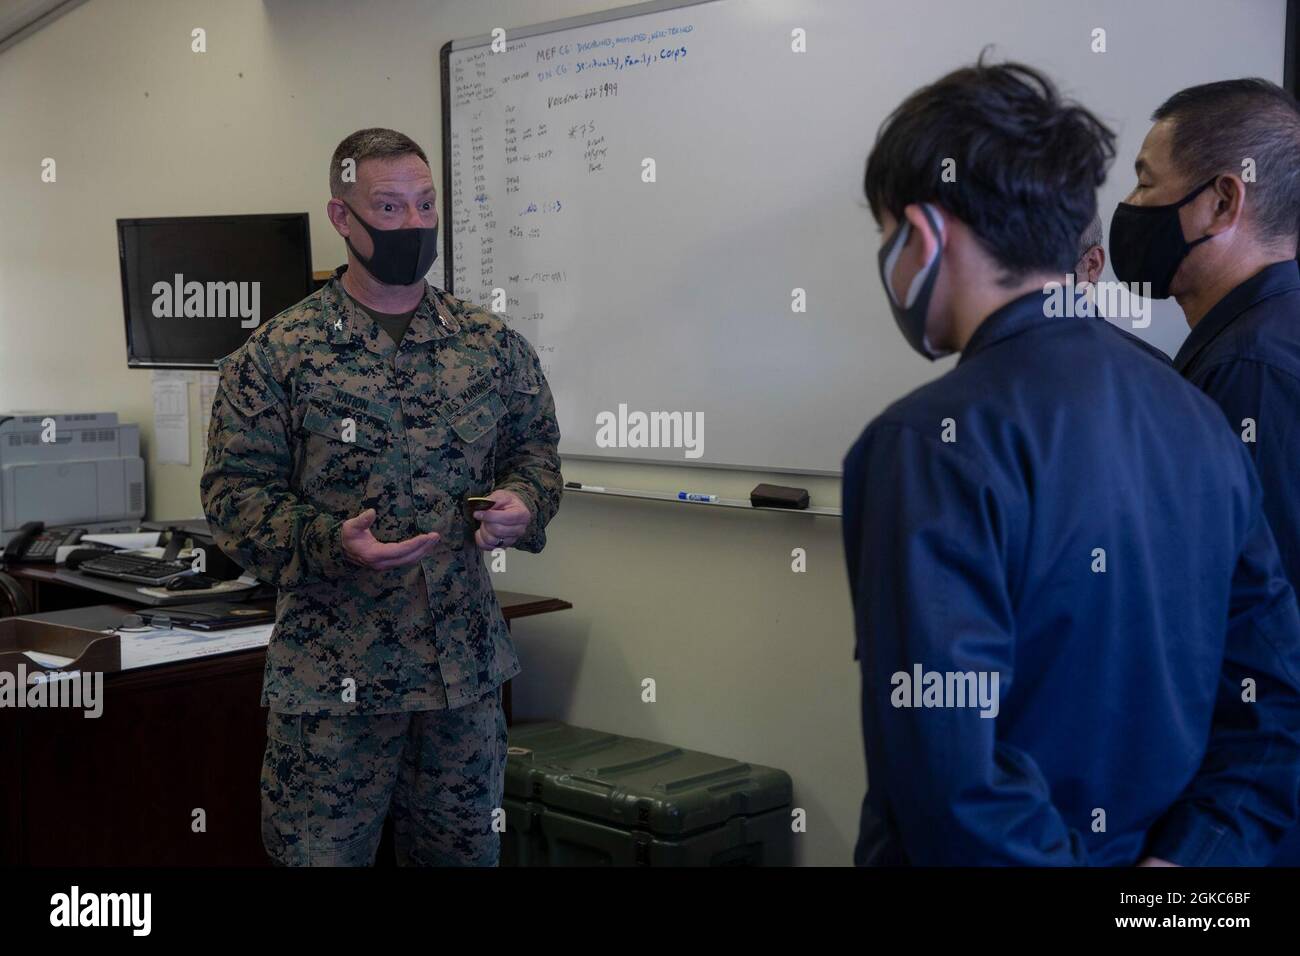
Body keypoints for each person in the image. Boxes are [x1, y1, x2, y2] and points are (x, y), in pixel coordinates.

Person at [845, 57, 1300, 865]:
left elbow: (951, 784)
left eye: (886, 234)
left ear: (924, 234)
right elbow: (1269, 702)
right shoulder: (1201, 420)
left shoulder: (924, 444)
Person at [200, 127, 563, 866]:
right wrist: (330, 542)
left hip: (462, 682)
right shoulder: (276, 356)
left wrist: (524, 502)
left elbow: (536, 453)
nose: (413, 224)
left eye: (425, 204)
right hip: (333, 689)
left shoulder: (490, 345)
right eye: (390, 208)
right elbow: (233, 498)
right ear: (343, 217)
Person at [1112, 78, 1300, 864]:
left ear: (1222, 202)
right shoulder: (1254, 344)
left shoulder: (1251, 372)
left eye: (1145, 183)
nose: (1130, 208)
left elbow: (1262, 650)